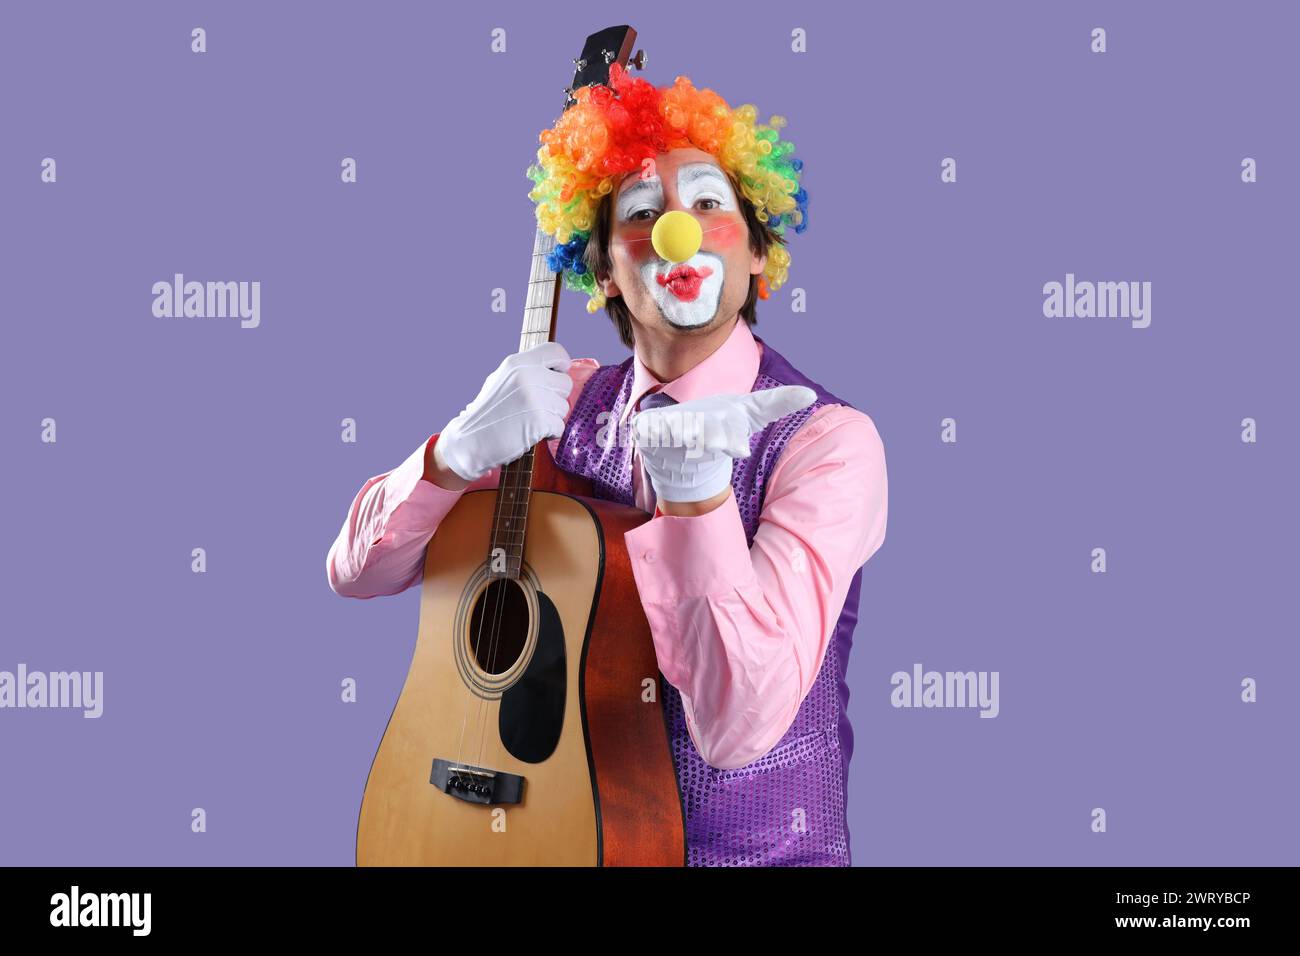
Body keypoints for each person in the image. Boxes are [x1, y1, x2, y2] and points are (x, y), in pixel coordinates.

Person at [326, 63, 887, 866]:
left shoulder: (827, 443)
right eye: (641, 213)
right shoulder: (559, 408)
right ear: (602, 272)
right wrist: (451, 455)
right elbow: (357, 574)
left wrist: (698, 495)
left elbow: (739, 729)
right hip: (551, 843)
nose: (676, 232)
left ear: (760, 251)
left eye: (708, 204)